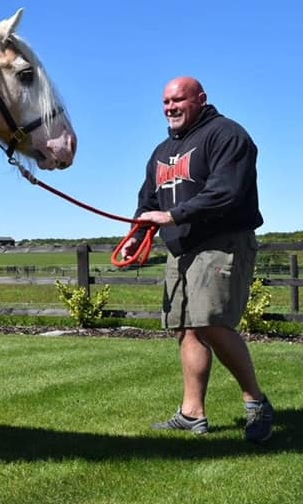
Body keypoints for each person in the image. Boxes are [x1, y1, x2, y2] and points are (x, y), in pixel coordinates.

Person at [120, 76, 274, 442]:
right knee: (187, 328)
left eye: (178, 100)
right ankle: (192, 413)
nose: (170, 107)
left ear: (201, 99)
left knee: (212, 323)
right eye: (165, 102)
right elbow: (149, 204)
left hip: (221, 243)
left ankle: (256, 402)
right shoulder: (161, 152)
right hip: (182, 249)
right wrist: (137, 235)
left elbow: (227, 192)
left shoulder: (227, 135)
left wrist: (172, 217)